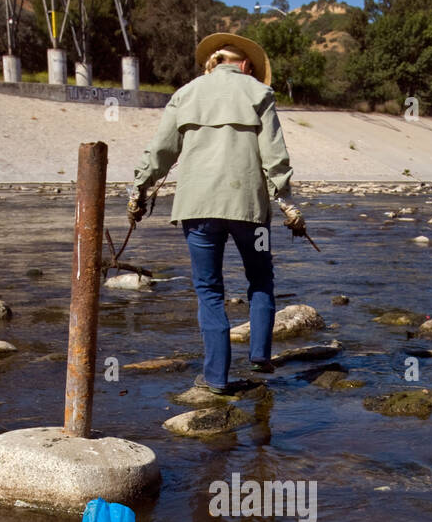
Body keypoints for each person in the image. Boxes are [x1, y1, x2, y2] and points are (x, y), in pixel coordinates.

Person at [127, 32, 307, 394]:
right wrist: (287, 202)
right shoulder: (260, 94)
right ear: (246, 65)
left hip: (198, 208)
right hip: (249, 210)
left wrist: (139, 191)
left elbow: (160, 151)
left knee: (209, 290)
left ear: (216, 60)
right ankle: (260, 355)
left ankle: (215, 378)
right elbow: (274, 155)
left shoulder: (185, 94)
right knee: (260, 279)